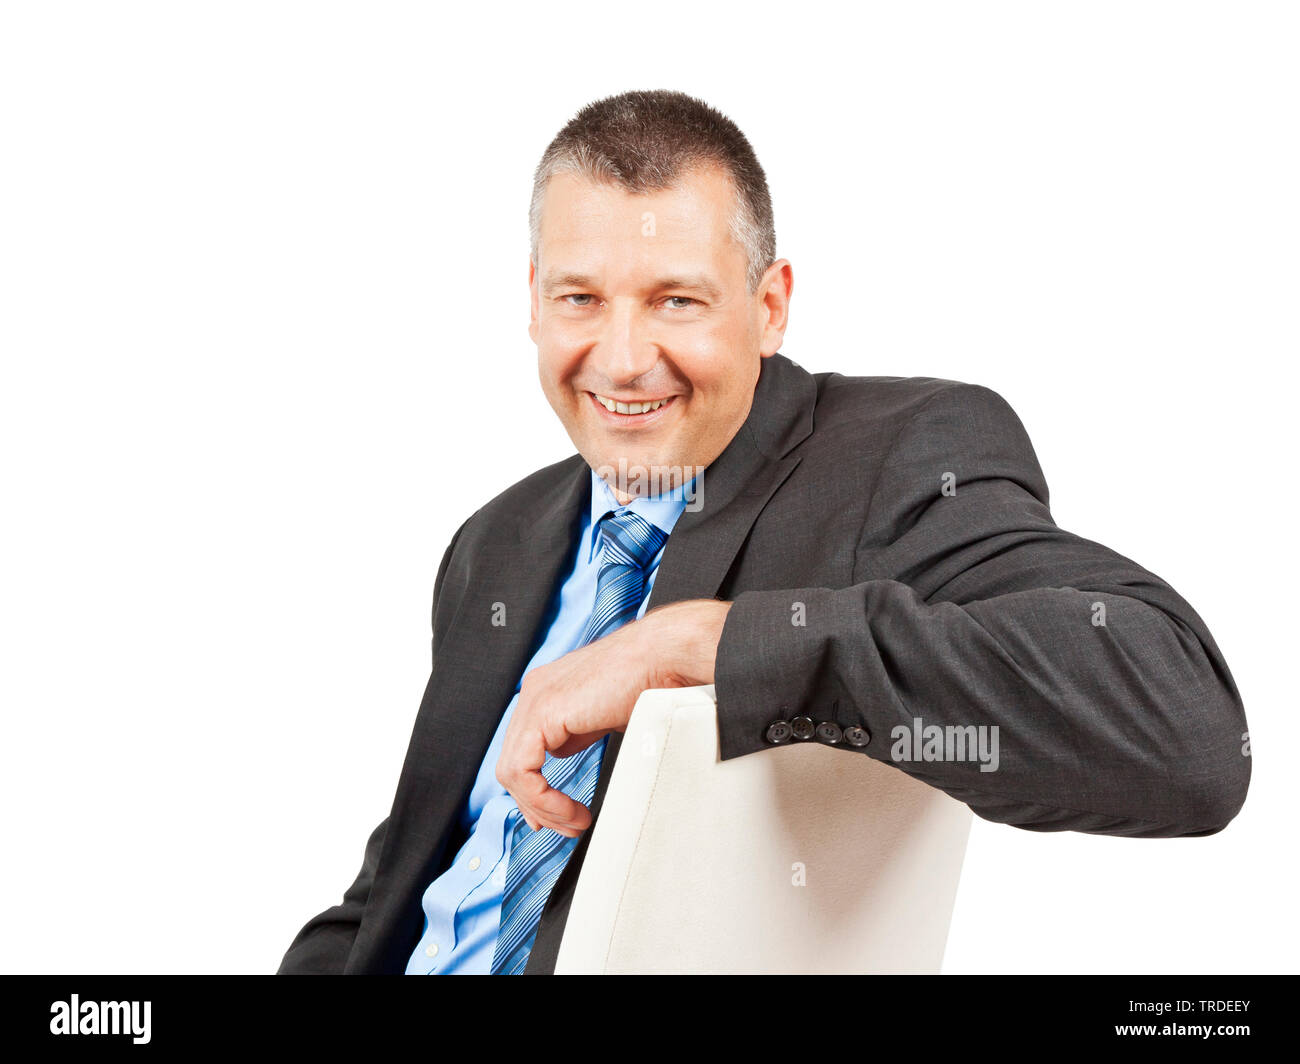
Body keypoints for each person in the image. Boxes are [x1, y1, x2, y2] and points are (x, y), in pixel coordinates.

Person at [277, 89, 1250, 976]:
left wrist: (701, 641)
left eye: (676, 300)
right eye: (580, 297)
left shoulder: (895, 461)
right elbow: (406, 878)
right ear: (531, 299)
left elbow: (1185, 733)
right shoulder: (497, 538)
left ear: (769, 304)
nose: (619, 359)